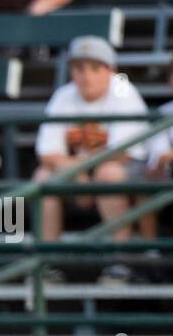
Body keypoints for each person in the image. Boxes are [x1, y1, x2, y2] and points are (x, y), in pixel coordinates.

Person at [34, 36, 152, 285]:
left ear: (111, 70)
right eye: (79, 68)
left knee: (108, 173)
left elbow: (123, 151)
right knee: (43, 178)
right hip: (80, 172)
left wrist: (80, 169)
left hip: (126, 170)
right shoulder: (64, 95)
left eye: (95, 68)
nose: (86, 76)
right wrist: (77, 172)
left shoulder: (123, 89)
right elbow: (46, 152)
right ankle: (48, 264)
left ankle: (120, 263)